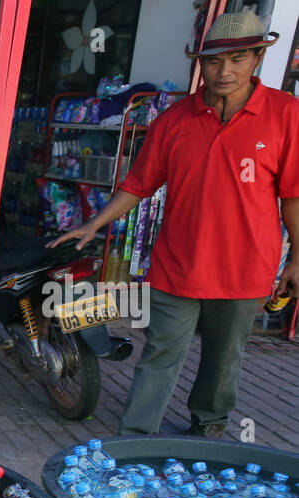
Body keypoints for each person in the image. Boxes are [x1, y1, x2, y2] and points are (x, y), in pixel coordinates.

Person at [51, 11, 299, 438]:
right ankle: (136, 435)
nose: (224, 71)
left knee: (224, 358)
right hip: (177, 264)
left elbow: (293, 194)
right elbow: (138, 185)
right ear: (200, 63)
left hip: (246, 267)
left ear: (257, 57)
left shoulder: (285, 114)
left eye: (238, 59)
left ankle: (209, 428)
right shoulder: (174, 121)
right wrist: (93, 225)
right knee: (161, 351)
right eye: (214, 62)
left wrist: (297, 257)